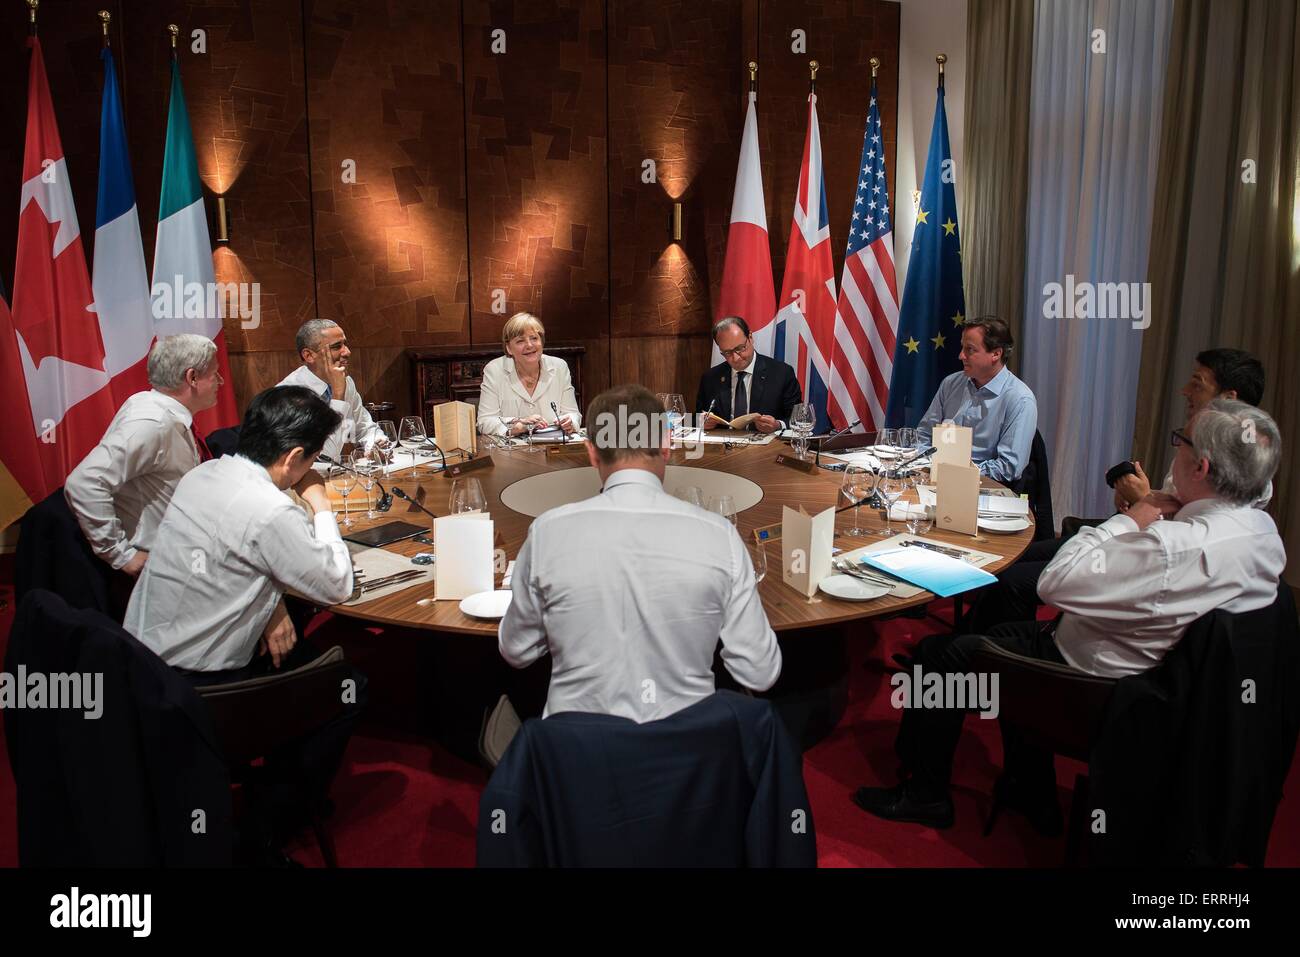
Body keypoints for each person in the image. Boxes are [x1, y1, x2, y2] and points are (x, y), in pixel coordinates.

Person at [853, 399, 1285, 831]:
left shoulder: (1174, 548)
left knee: (938, 655)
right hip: (1160, 680)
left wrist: (1132, 518)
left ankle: (925, 795)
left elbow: (1055, 583)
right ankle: (1028, 786)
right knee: (1002, 629)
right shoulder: (1262, 533)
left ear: (1201, 468)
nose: (1175, 450)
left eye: (1181, 441)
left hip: (1098, 689)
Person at [123, 385, 364, 861]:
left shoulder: (206, 472)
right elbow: (337, 585)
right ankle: (269, 826)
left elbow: (228, 549)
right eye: (313, 461)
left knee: (296, 649)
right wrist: (320, 504)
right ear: (296, 458)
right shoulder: (272, 510)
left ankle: (274, 788)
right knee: (349, 685)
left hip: (136, 665)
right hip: (196, 692)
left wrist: (272, 603)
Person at [499, 383, 782, 721]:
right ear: (666, 446)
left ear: (592, 452)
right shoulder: (720, 535)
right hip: (690, 755)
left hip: (574, 755)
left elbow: (516, 650)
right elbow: (760, 672)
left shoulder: (548, 531)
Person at [967, 347, 1268, 634]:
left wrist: (1143, 504)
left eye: (1197, 383)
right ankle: (994, 639)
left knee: (1013, 579)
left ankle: (993, 654)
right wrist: (1143, 498)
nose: (1185, 391)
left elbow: (1184, 543)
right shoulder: (1258, 528)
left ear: (1228, 398)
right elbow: (1181, 512)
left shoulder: (1244, 471)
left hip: (1139, 561)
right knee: (1015, 556)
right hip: (1136, 536)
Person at [65, 334, 223, 577]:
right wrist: (122, 555)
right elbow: (84, 483)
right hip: (162, 566)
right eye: (214, 374)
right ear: (192, 378)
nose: (220, 381)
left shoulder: (160, 410)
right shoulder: (151, 424)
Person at [914, 316, 1037, 483]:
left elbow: (1009, 467)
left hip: (986, 488)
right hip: (935, 477)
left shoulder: (1020, 399)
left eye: (970, 349)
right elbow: (924, 435)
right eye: (962, 348)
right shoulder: (951, 384)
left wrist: (960, 473)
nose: (961, 356)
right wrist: (931, 465)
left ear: (996, 354)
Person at [277, 318, 382, 461]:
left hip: (334, 476)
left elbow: (364, 427)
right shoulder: (290, 394)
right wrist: (338, 395)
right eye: (336, 346)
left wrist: (375, 445)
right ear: (308, 355)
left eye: (345, 344)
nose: (347, 352)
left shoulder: (345, 382)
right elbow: (324, 456)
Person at [477, 312, 582, 438]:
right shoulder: (494, 370)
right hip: (512, 452)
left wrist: (570, 421)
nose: (529, 345)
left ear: (541, 342)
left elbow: (573, 414)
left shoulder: (559, 367)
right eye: (520, 341)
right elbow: (485, 421)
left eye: (534, 338)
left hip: (553, 446)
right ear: (509, 348)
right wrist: (520, 426)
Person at [695, 317, 802, 432]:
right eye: (727, 352)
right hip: (723, 446)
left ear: (750, 337)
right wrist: (701, 422)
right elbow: (697, 416)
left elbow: (798, 420)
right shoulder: (710, 378)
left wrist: (778, 425)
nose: (735, 358)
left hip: (767, 447)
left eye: (740, 348)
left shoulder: (781, 373)